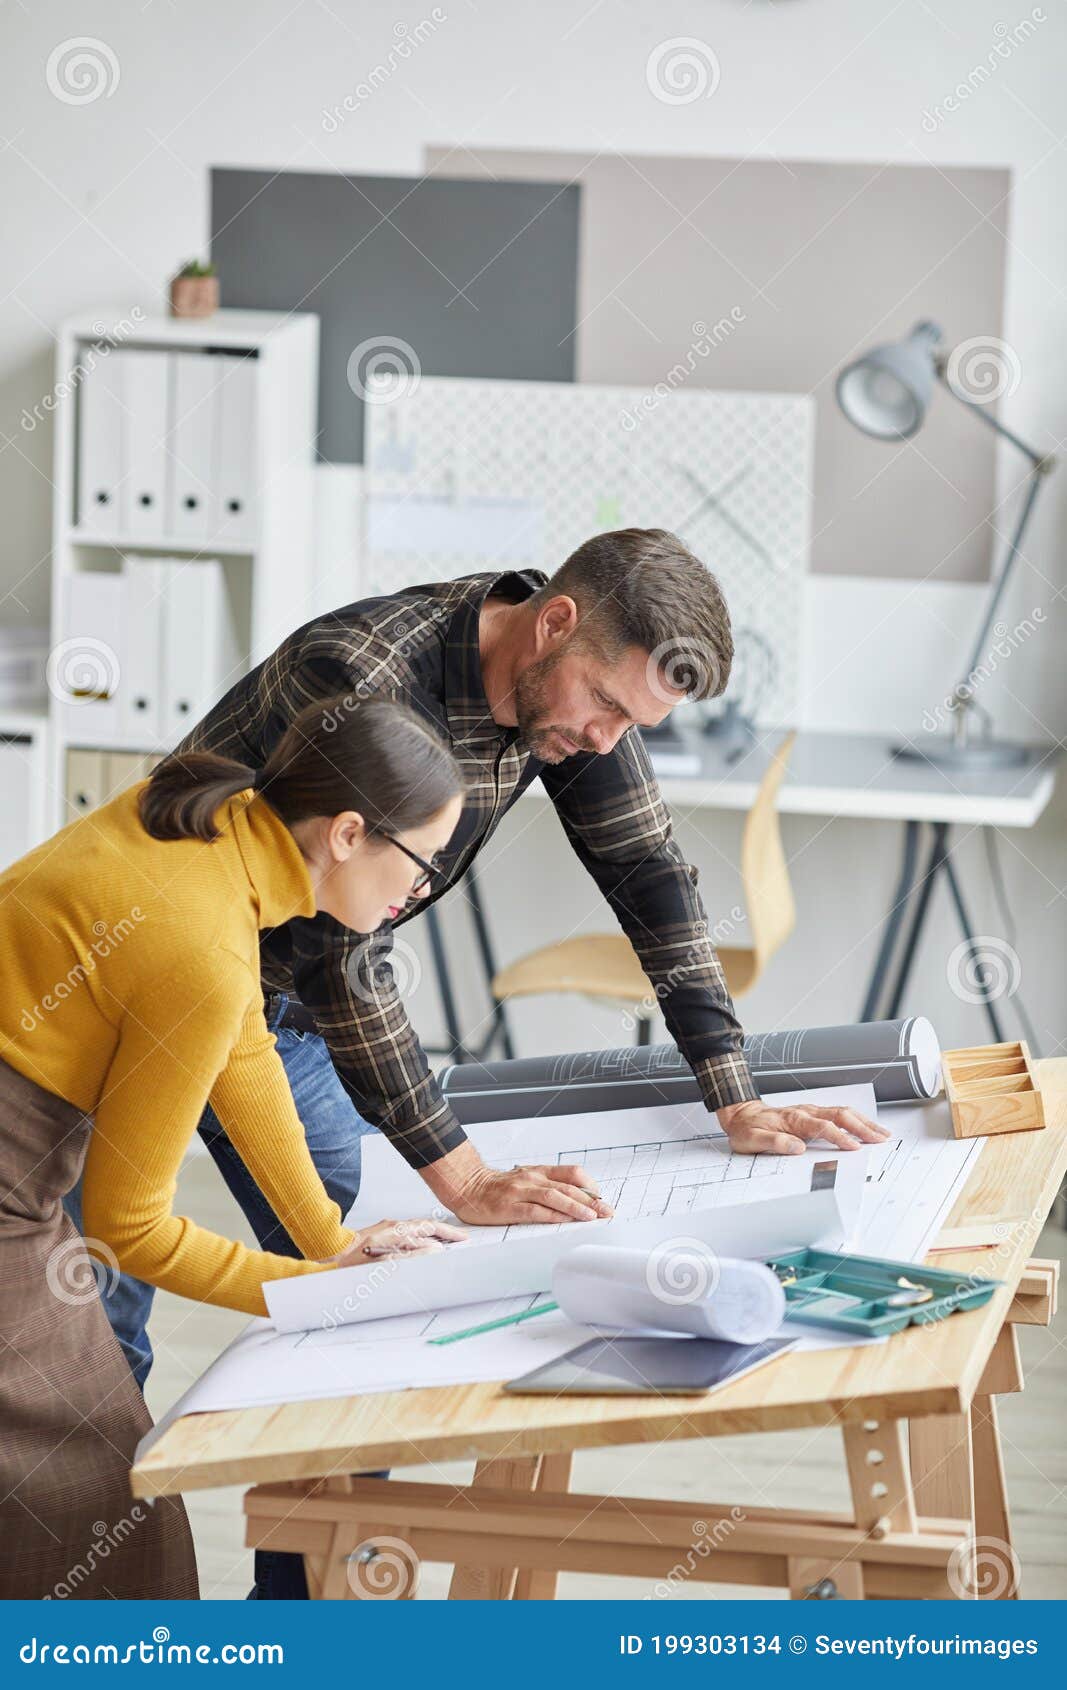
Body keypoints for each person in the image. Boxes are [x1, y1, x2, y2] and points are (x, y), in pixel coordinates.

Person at [73, 527, 889, 1391]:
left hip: (269, 1022)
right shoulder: (363, 676)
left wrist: (733, 1092)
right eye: (607, 706)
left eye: (633, 724)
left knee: (375, 1310)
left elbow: (646, 873)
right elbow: (343, 955)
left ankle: (339, 1532)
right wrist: (460, 1174)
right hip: (130, 989)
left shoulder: (568, 705)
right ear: (554, 623)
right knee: (97, 1334)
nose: (610, 740)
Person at [0, 695, 485, 1599]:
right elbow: (130, 1231)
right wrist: (321, 1294)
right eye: (419, 865)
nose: (414, 895)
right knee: (97, 1490)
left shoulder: (213, 820)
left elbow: (244, 1046)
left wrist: (329, 1243)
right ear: (346, 834)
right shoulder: (201, 946)